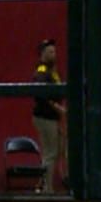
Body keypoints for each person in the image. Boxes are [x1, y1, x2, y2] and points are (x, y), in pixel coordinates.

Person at [32, 38, 66, 193]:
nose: (54, 54)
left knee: (58, 150)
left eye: (54, 51)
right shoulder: (41, 73)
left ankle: (41, 184)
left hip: (53, 118)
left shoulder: (53, 72)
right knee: (50, 153)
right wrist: (58, 108)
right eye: (50, 52)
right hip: (44, 118)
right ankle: (47, 188)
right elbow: (41, 96)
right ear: (42, 55)